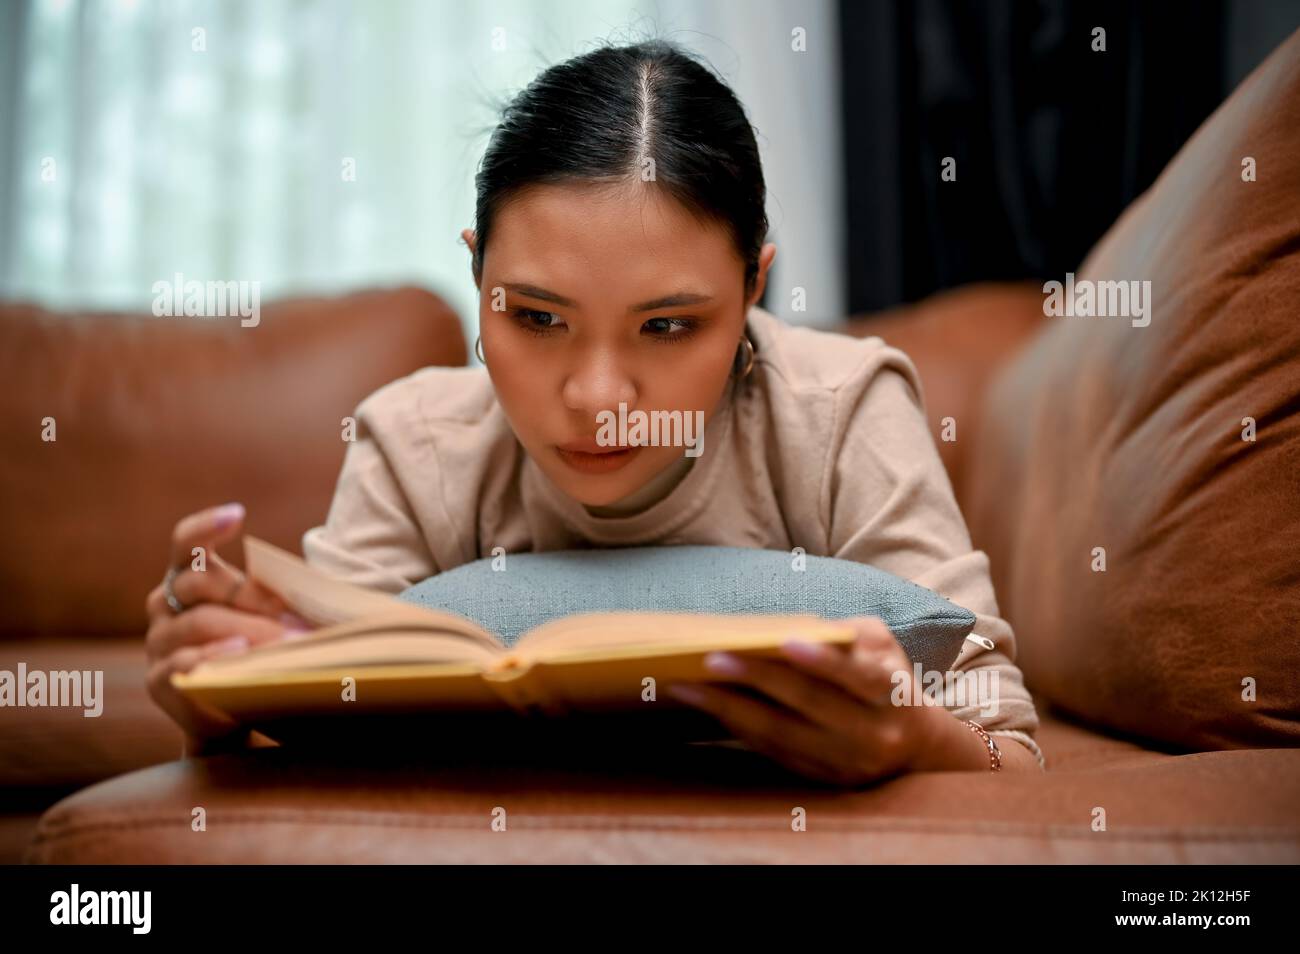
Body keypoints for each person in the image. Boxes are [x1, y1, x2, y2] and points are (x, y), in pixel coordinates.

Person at [146, 39, 1043, 783]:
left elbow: (1012, 753)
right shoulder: (415, 441)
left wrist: (915, 740)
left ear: (753, 288)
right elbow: (326, 723)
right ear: (476, 275)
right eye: (535, 318)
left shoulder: (841, 411)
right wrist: (224, 700)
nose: (597, 399)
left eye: (667, 325)